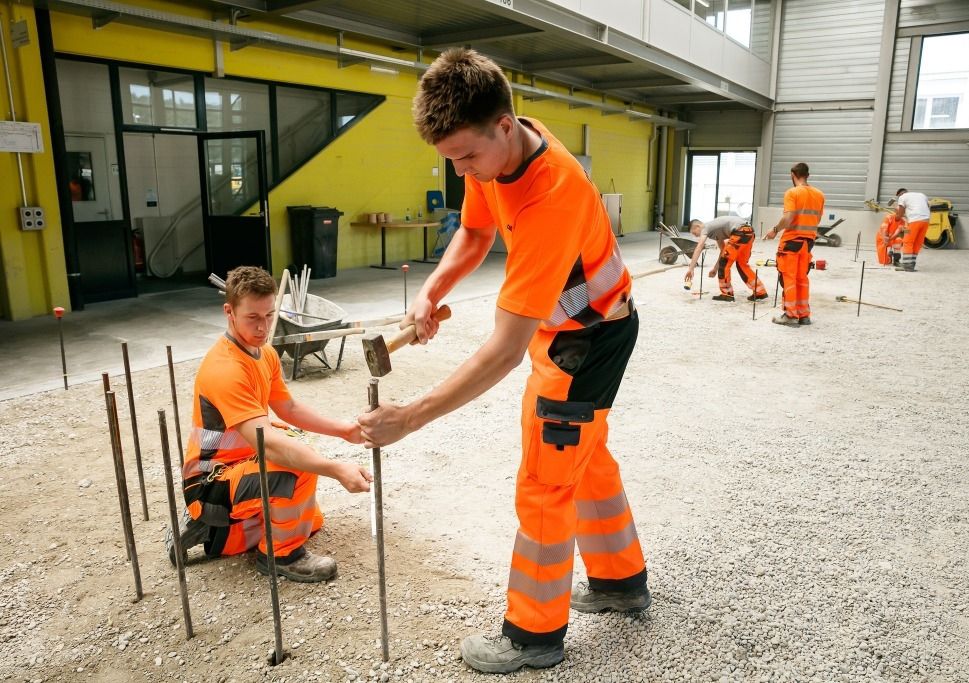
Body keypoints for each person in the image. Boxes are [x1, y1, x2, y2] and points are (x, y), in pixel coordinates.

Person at [357, 48, 650, 674]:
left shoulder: (553, 198)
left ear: (505, 126)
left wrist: (410, 417)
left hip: (589, 338)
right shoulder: (490, 156)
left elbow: (504, 350)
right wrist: (433, 289)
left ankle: (532, 636)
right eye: (451, 160)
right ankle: (621, 583)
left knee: (546, 481)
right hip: (569, 327)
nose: (462, 169)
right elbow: (475, 231)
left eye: (466, 156)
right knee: (585, 458)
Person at [168, 266, 371, 583]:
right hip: (211, 481)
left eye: (269, 315)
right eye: (253, 318)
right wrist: (335, 468)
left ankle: (217, 534)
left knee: (309, 517)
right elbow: (270, 446)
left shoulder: (264, 354)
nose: (263, 327)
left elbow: (288, 407)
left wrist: (344, 430)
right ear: (229, 312)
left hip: (238, 465)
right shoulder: (225, 368)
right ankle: (281, 555)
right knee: (295, 467)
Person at [764, 162, 825, 327]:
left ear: (793, 175)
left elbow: (788, 218)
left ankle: (791, 315)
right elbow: (818, 219)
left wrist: (775, 229)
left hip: (791, 241)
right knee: (802, 278)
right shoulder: (819, 194)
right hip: (808, 242)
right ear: (808, 175)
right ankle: (803, 315)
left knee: (788, 278)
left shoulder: (792, 193)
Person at [685, 216, 767, 301]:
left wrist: (691, 269)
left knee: (724, 264)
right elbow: (723, 251)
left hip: (739, 232)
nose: (696, 236)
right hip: (749, 232)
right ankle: (760, 292)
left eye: (694, 233)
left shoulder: (706, 228)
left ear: (697, 226)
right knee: (741, 264)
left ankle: (727, 294)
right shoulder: (716, 230)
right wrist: (715, 269)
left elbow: (699, 247)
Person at [893, 188, 930, 272]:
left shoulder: (902, 197)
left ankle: (907, 266)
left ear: (900, 194)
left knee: (908, 242)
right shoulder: (921, 195)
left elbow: (900, 214)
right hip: (926, 220)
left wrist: (897, 216)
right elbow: (926, 207)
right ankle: (911, 264)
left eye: (898, 196)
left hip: (915, 220)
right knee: (917, 242)